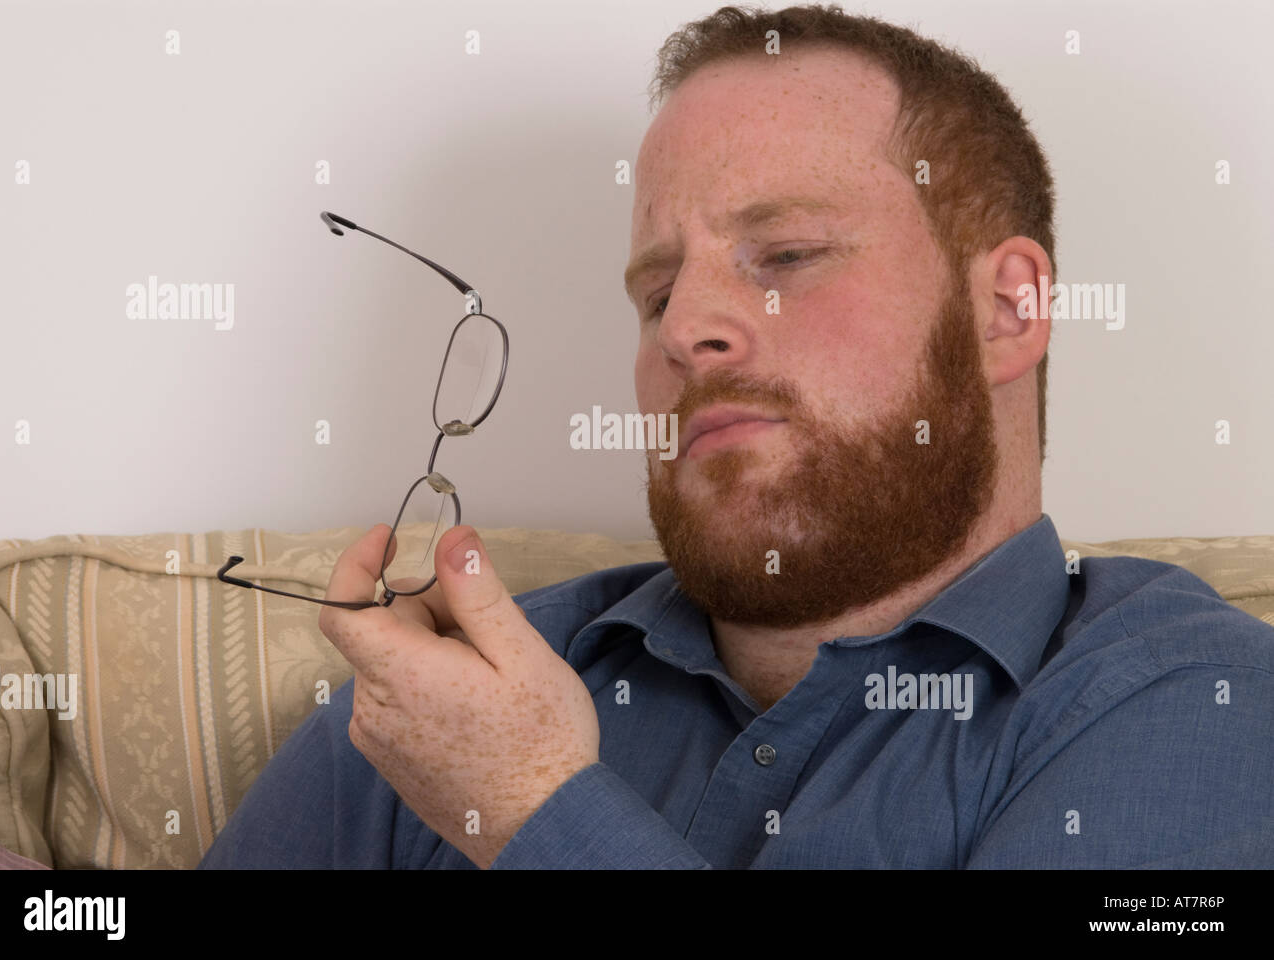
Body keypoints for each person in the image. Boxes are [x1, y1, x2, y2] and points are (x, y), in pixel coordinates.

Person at [199, 4, 1274, 869]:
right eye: (656, 288)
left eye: (787, 255)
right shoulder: (434, 704)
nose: (682, 327)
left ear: (1008, 309)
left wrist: (530, 811)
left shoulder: (1199, 706)